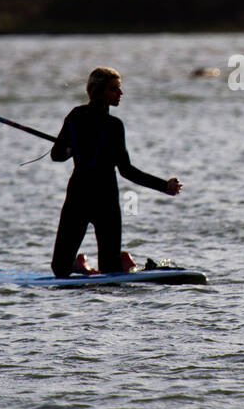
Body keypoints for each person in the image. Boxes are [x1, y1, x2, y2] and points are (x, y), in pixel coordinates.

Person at [50, 67, 181, 277]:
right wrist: (70, 148)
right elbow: (56, 155)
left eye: (119, 89)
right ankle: (80, 264)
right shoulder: (81, 117)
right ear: (98, 91)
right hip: (79, 198)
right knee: (59, 269)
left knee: (109, 272)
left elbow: (125, 170)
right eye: (114, 89)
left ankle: (121, 261)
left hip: (104, 201)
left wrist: (162, 186)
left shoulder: (107, 124)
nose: (120, 94)